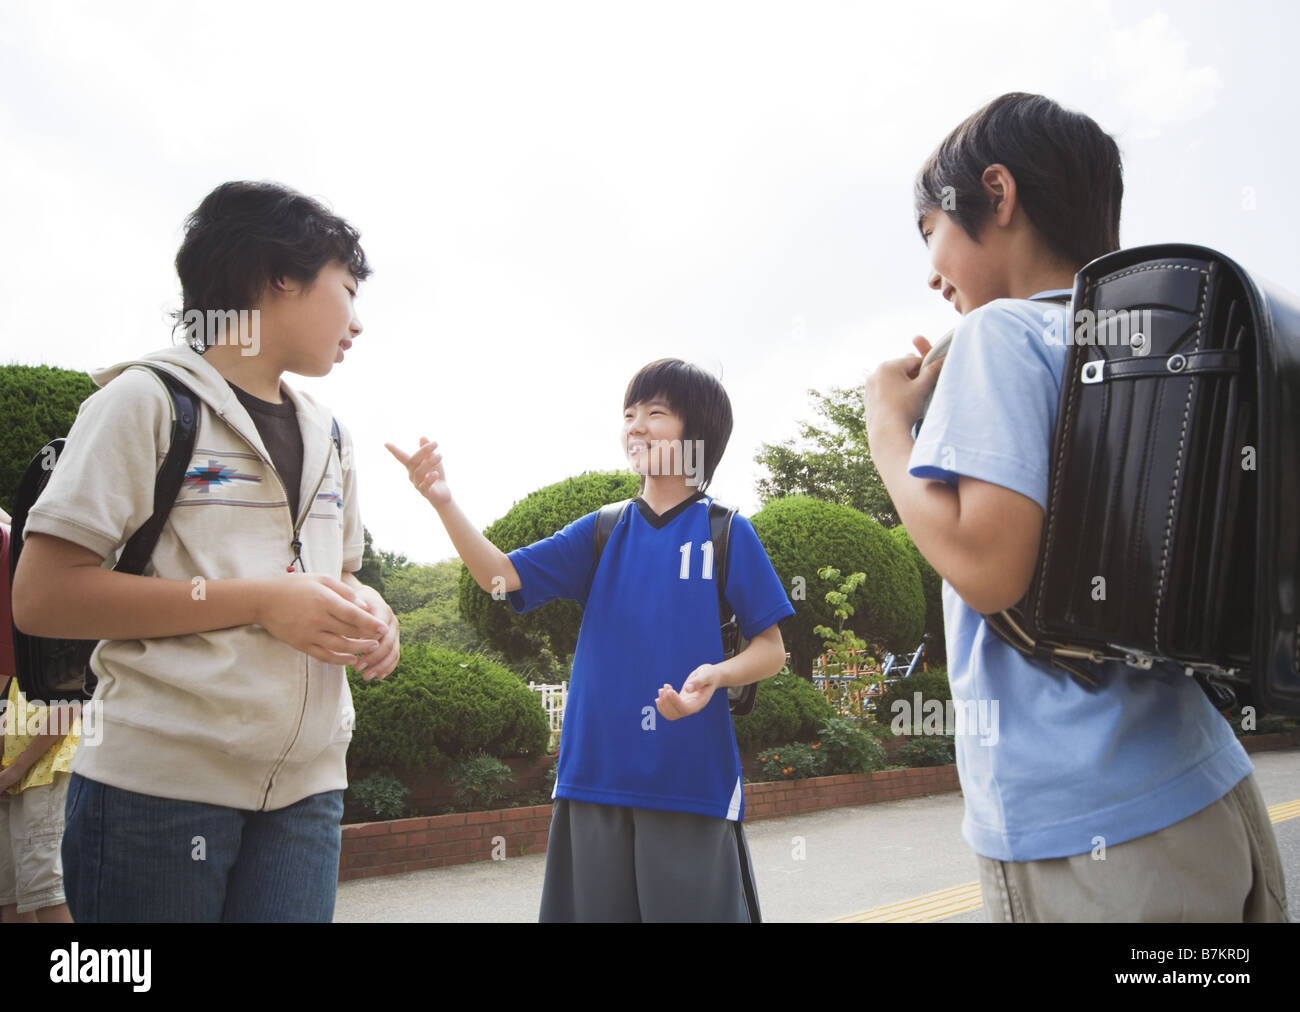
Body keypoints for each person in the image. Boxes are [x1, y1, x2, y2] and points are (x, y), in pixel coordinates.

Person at [863, 92, 1287, 922]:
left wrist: (886, 426)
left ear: (997, 193)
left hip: (1087, 829)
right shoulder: (1141, 344)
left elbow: (988, 566)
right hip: (1204, 787)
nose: (930, 270)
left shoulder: (998, 337)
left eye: (930, 231)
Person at [11, 181, 400, 922]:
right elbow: (43, 597)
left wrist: (373, 611)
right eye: (347, 289)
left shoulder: (334, 436)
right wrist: (258, 602)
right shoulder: (145, 402)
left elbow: (339, 573)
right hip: (155, 792)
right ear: (279, 275)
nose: (357, 322)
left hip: (308, 794)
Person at [387, 358, 793, 922]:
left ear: (696, 433)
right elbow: (498, 577)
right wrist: (442, 500)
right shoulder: (603, 529)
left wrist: (716, 675)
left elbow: (771, 650)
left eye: (655, 412)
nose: (636, 425)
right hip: (592, 779)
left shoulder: (726, 532)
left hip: (688, 782)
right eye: (629, 413)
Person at [0, 511, 77, 923]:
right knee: (10, 896)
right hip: (14, 775)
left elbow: (69, 707)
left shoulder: (52, 631)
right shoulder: (18, 643)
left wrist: (17, 769)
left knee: (47, 893)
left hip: (43, 772)